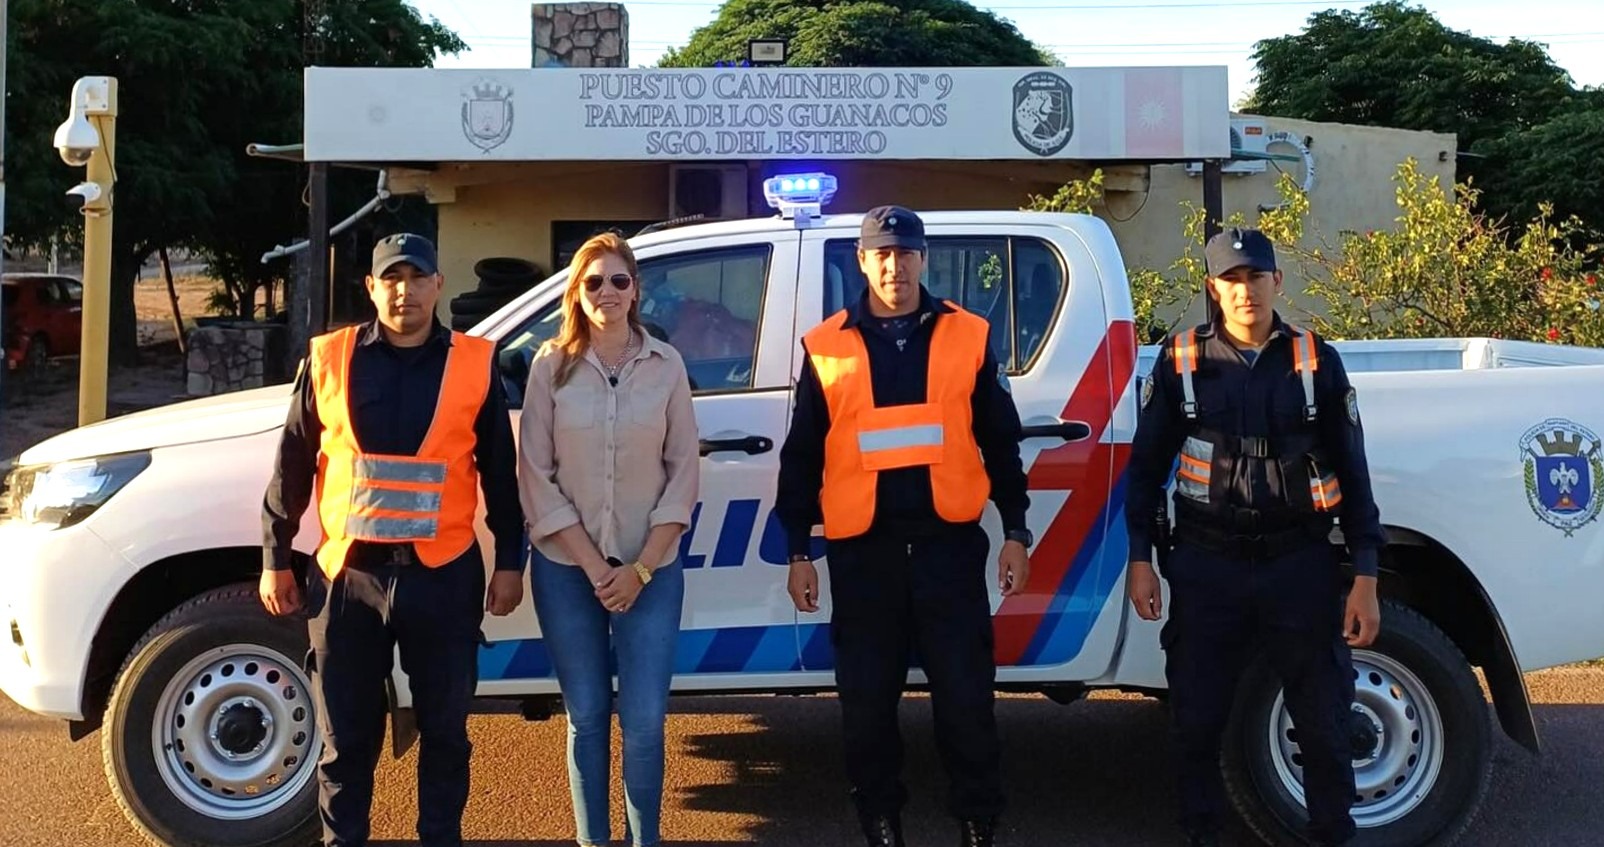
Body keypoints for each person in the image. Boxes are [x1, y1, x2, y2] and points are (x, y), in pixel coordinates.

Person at [775, 206, 1033, 847]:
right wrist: (797, 551)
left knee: (967, 701)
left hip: (948, 548)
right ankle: (881, 822)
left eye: (906, 252)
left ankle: (978, 820)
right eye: (881, 254)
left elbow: (1000, 442)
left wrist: (1016, 531)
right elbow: (802, 455)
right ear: (862, 262)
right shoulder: (826, 345)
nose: (895, 265)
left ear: (924, 259)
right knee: (865, 708)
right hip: (865, 555)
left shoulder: (968, 334)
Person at [259, 233, 526, 847]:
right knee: (344, 743)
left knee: (445, 735)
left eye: (418, 277)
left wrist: (510, 561)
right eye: (392, 278)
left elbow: (499, 474)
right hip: (349, 581)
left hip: (442, 577)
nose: (405, 290)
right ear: (372, 288)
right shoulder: (330, 359)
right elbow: (293, 465)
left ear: (438, 285)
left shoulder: (474, 363)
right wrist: (276, 558)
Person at [1124, 227, 1386, 847]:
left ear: (1277, 282)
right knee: (1196, 721)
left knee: (1322, 723)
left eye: (1256, 277)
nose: (1246, 291)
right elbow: (1145, 469)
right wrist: (1140, 559)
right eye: (1232, 280)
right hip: (1206, 567)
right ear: (1214, 289)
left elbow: (1354, 470)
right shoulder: (1181, 359)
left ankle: (1332, 834)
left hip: (1298, 567)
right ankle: (1202, 832)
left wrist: (1367, 576)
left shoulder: (1314, 359)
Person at [517, 232, 699, 847]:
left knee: (645, 723)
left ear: (636, 289)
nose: (607, 292)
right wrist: (597, 567)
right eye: (593, 281)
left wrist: (641, 569)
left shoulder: (667, 365)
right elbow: (535, 478)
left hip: (652, 569)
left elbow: (684, 473)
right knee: (588, 717)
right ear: (577, 291)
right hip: (568, 570)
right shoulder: (550, 366)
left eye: (619, 280)